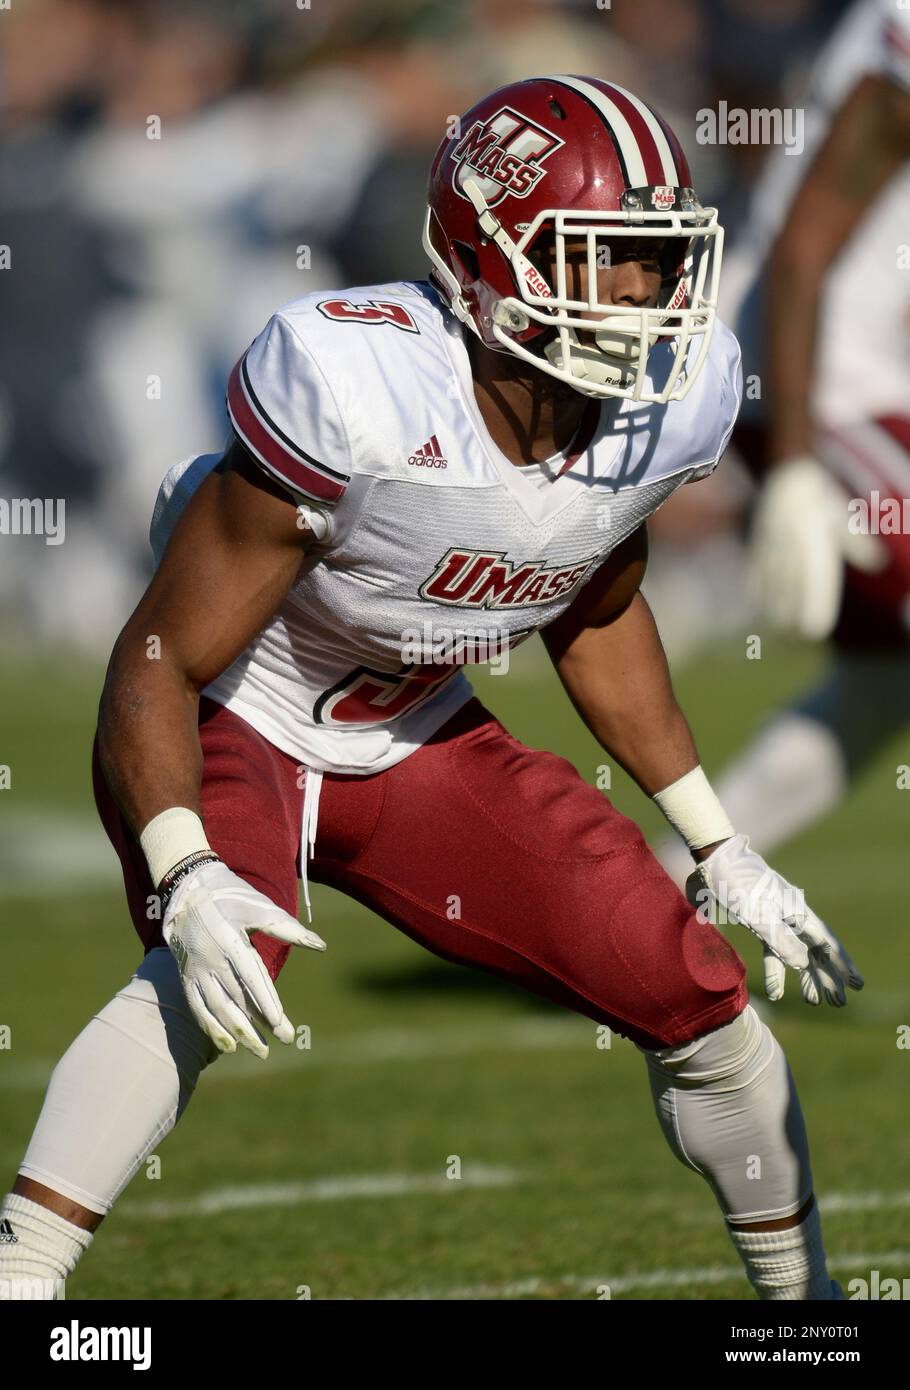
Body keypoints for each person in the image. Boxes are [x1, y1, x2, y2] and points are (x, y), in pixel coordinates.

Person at [0, 76, 861, 1302]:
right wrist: (188, 870)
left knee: (697, 995)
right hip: (242, 703)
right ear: (490, 259)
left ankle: (809, 1319)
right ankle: (23, 1280)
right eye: (607, 257)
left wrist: (719, 844)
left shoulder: (665, 405)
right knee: (213, 970)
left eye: (660, 259)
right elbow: (158, 658)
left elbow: (599, 608)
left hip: (411, 730)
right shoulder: (356, 383)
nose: (649, 294)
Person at [660, 0, 910, 879]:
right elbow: (805, 248)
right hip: (815, 380)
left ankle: (659, 900)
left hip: (865, 383)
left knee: (885, 687)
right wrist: (799, 468)